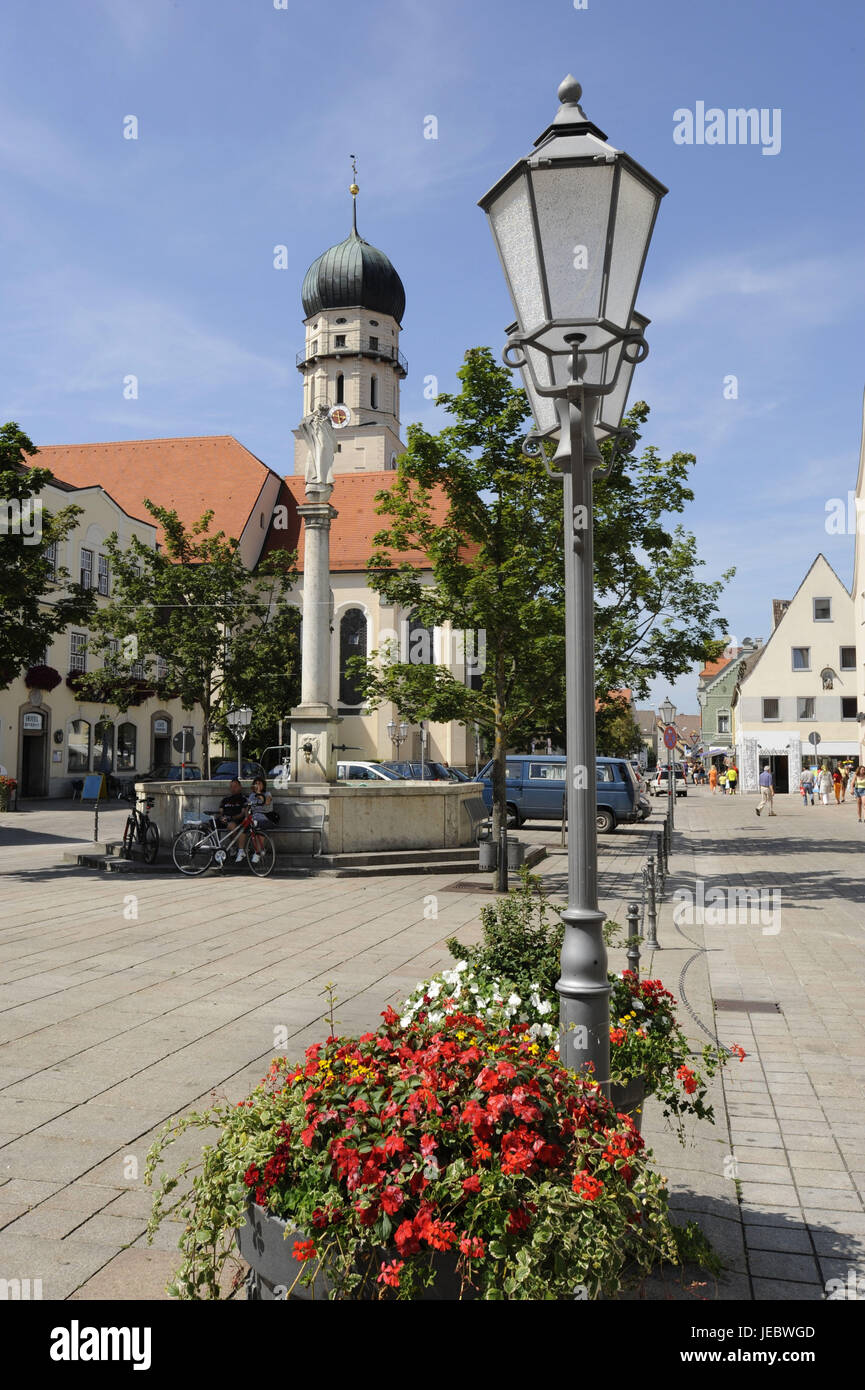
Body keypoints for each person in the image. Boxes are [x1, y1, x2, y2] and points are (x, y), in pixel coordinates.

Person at [236, 775, 273, 864]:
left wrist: (259, 793)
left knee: (259, 827)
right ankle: (241, 851)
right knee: (243, 828)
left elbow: (267, 802)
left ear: (263, 785)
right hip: (253, 817)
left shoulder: (267, 794)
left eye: (259, 783)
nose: (257, 785)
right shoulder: (252, 795)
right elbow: (248, 807)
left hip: (265, 817)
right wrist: (246, 816)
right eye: (255, 784)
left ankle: (258, 852)